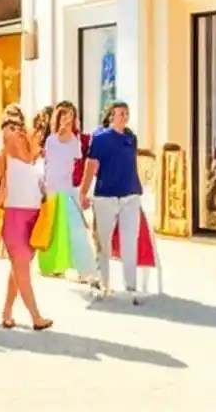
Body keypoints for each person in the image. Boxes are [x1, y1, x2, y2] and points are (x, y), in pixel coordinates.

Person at [0, 114, 52, 331]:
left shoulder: (32, 156)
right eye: (9, 126)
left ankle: (7, 312)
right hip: (14, 216)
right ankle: (36, 317)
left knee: (18, 269)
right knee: (22, 267)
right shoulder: (1, 156)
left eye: (17, 125)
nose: (14, 130)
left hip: (33, 217)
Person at [79, 101, 144, 303]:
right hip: (106, 196)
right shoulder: (100, 138)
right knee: (103, 241)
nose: (124, 117)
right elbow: (91, 166)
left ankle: (131, 286)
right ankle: (104, 283)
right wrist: (83, 191)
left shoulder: (131, 138)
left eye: (127, 113)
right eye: (120, 113)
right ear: (110, 116)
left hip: (130, 195)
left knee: (130, 239)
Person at [40, 101, 98, 284]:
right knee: (53, 229)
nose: (67, 119)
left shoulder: (75, 142)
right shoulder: (50, 140)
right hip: (51, 190)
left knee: (76, 229)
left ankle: (86, 269)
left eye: (71, 116)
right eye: (64, 115)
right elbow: (49, 165)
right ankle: (51, 266)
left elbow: (75, 164)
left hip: (67, 190)